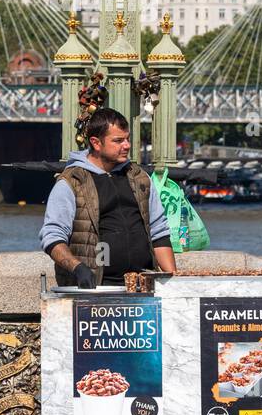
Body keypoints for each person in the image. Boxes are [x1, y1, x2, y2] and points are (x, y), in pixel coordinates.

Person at [40, 108, 177, 286]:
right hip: (95, 287)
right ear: (96, 143)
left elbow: (159, 232)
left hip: (142, 287)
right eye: (118, 141)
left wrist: (174, 281)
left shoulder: (139, 177)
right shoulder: (72, 182)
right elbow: (52, 236)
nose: (127, 145)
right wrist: (78, 268)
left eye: (127, 139)